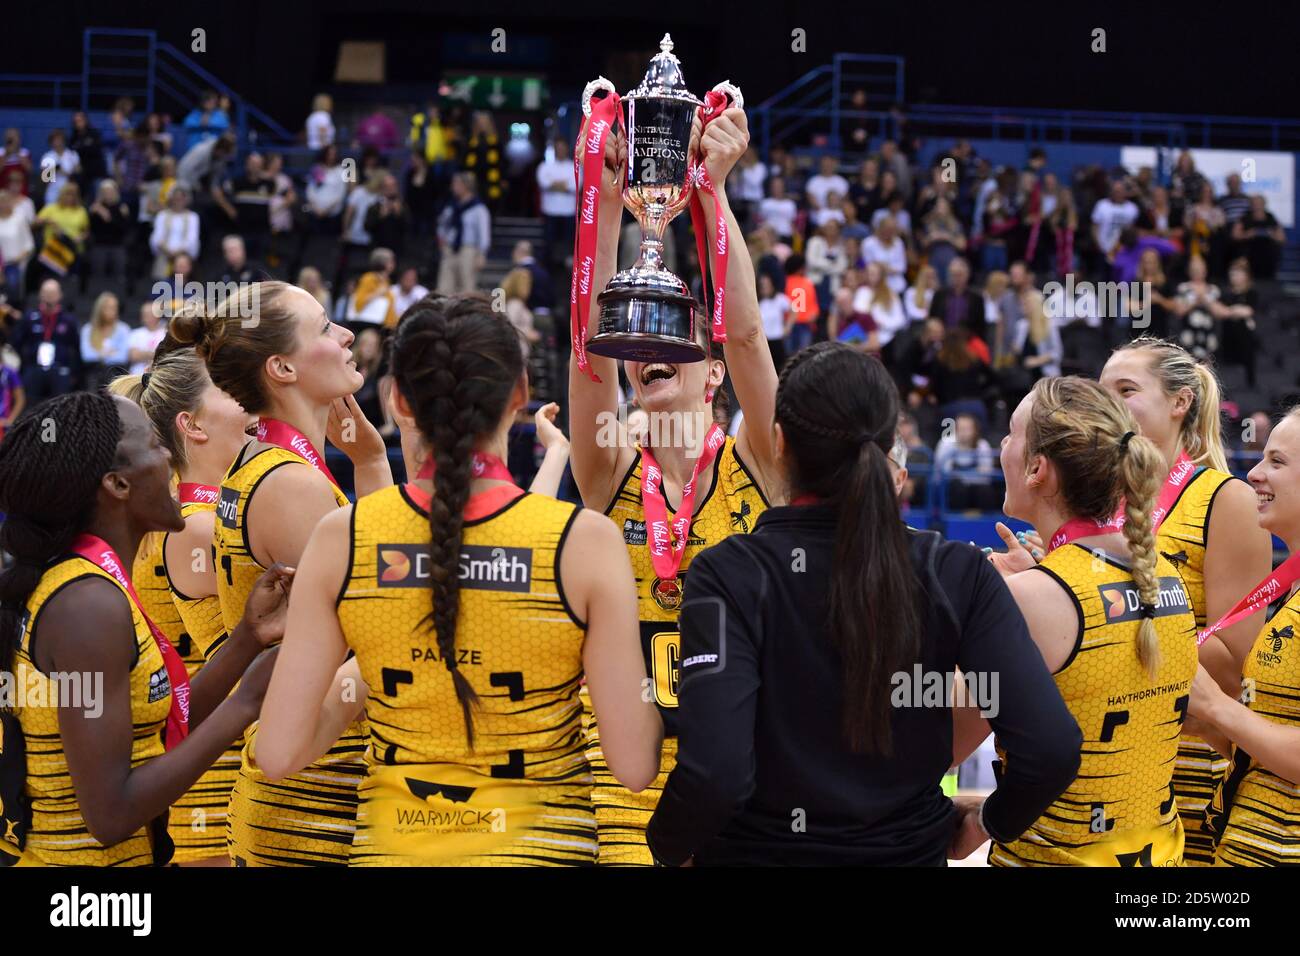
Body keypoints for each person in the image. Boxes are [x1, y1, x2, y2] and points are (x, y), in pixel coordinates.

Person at [255, 296, 663, 864]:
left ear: (398, 399)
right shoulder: (587, 541)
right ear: (520, 396)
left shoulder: (340, 537)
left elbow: (277, 753)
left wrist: (384, 664)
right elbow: (635, 767)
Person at [645, 343, 1080, 865]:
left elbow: (716, 775)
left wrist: (667, 846)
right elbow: (1051, 749)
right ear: (891, 447)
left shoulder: (727, 572)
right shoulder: (956, 570)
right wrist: (986, 823)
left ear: (779, 444)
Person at [568, 102, 780, 864]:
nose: (652, 345)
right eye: (641, 332)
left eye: (676, 334)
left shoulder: (760, 460)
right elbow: (587, 353)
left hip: (748, 775)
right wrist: (598, 195)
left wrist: (714, 193)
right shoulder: (609, 464)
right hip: (618, 781)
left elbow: (749, 334)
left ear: (713, 374)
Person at [0, 390, 289, 866]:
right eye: (156, 445)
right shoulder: (86, 605)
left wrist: (245, 641)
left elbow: (158, 732)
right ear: (117, 484)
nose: (170, 458)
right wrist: (246, 702)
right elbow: (111, 816)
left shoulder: (87, 582)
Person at [170, 281, 395, 866]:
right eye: (324, 328)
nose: (346, 335)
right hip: (313, 796)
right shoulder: (291, 485)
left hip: (304, 782)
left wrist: (370, 461)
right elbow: (382, 628)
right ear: (282, 367)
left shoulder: (266, 464)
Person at [973, 376, 1199, 865]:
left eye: (1011, 435)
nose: (1001, 447)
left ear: (1037, 469)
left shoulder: (1027, 599)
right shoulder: (1164, 573)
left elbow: (936, 739)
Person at [1100, 336, 1273, 865]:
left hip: (1187, 770)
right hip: (1101, 768)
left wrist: (1106, 636)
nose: (1106, 403)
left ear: (1181, 402)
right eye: (1099, 391)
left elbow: (1241, 667)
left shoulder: (1227, 498)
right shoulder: (1096, 505)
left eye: (1125, 389)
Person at [110, 349, 259, 865]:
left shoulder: (198, 513)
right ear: (190, 425)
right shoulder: (198, 525)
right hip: (210, 774)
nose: (249, 400)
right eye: (229, 388)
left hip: (206, 744)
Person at [1189, 407, 1300, 865]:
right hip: (1247, 843)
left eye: (1277, 462)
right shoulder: (1291, 585)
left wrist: (1215, 706)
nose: (1253, 472)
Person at [11, 278, 81, 400]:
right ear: (40, 294)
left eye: (53, 293)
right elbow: (17, 343)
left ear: (60, 295)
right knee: (31, 398)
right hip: (34, 366)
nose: (49, 297)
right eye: (46, 293)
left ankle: (55, 420)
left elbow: (76, 348)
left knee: (59, 402)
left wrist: (74, 373)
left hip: (59, 367)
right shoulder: (29, 318)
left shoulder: (69, 320)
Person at [436, 173, 490, 295]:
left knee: (467, 287)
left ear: (465, 186)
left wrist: (481, 254)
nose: (453, 187)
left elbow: (484, 233)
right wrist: (441, 240)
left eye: (456, 184)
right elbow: (442, 224)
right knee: (445, 287)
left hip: (468, 250)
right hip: (450, 249)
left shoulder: (478, 209)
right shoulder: (451, 206)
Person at [80, 292, 132, 391]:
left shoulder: (124, 329)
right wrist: (110, 353)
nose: (112, 311)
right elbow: (86, 356)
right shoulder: (88, 329)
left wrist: (99, 353)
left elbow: (122, 356)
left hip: (115, 374)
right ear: (99, 309)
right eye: (107, 308)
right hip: (94, 374)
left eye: (114, 308)